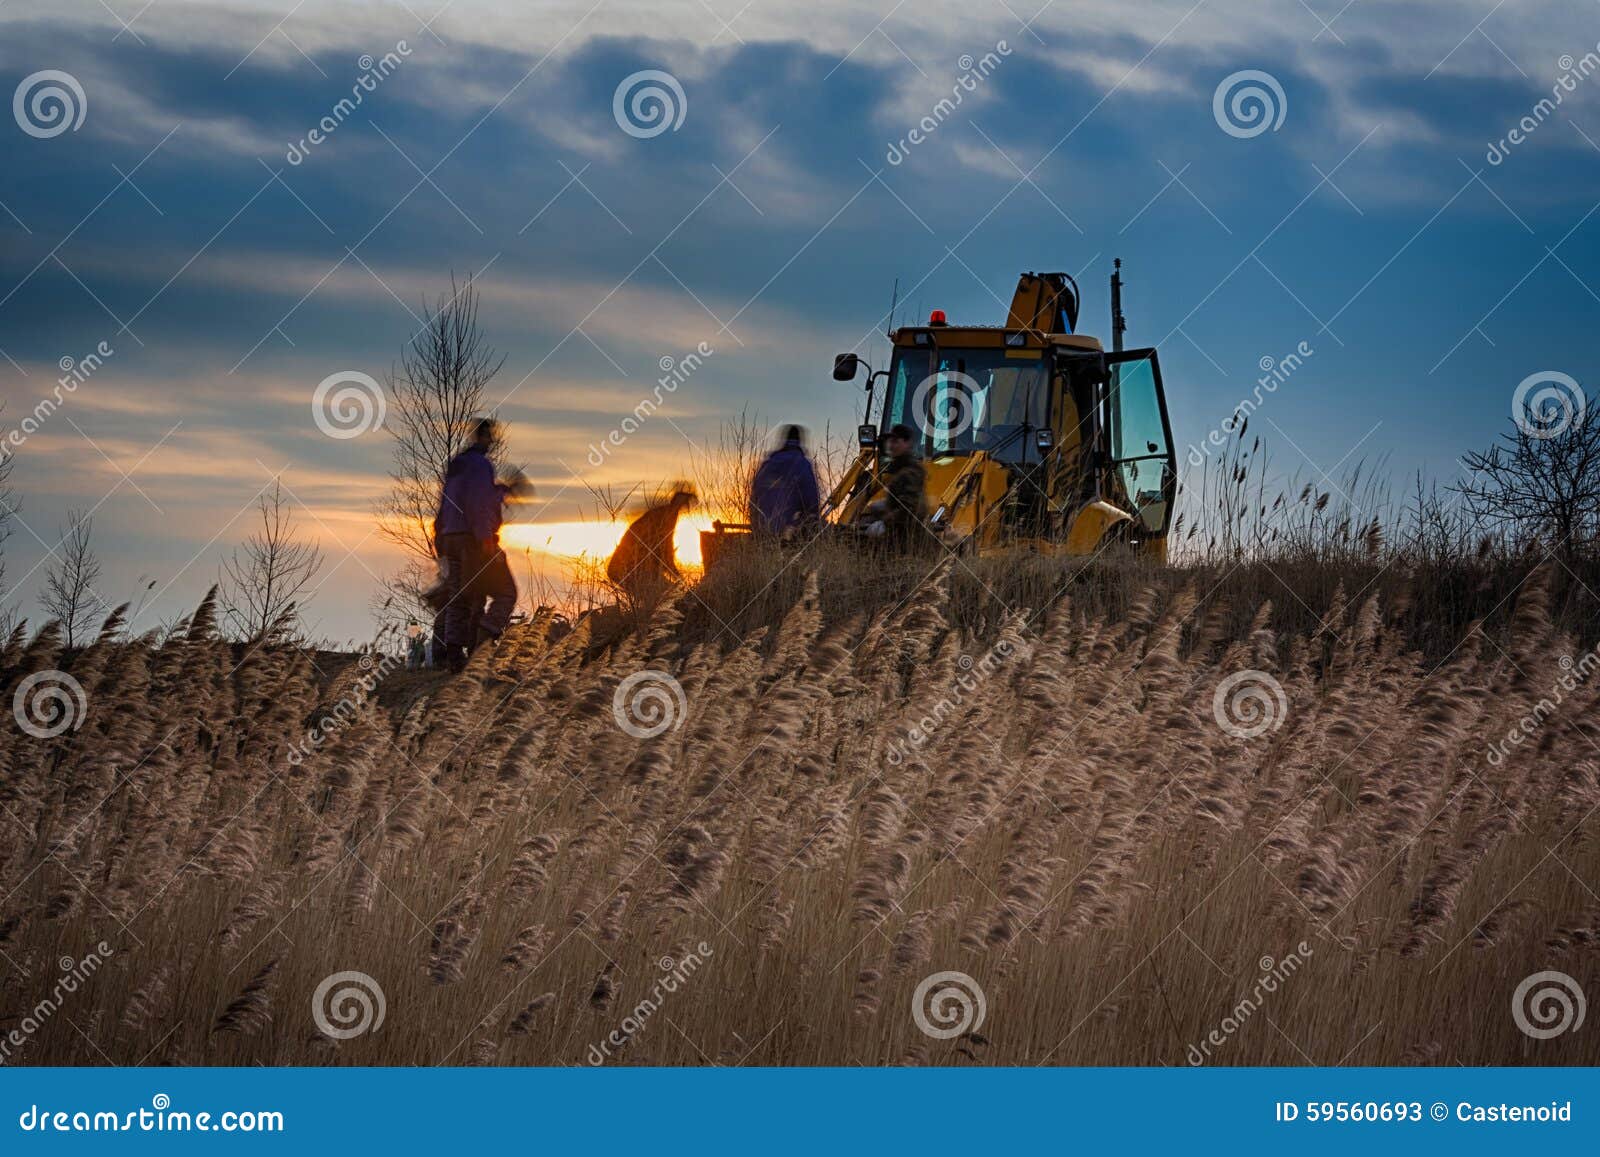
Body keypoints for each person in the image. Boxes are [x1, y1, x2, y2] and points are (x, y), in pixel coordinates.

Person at [432, 418, 518, 672]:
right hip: (471, 539)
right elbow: (478, 504)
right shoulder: (480, 466)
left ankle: (455, 658)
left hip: (450, 537)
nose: (492, 442)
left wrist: (441, 542)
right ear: (483, 437)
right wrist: (486, 540)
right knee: (506, 592)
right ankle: (482, 643)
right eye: (490, 437)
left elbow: (450, 503)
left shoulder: (457, 466)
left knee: (463, 596)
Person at [607, 486, 696, 604]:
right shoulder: (666, 515)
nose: (686, 506)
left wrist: (673, 572)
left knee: (661, 597)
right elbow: (664, 547)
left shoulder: (664, 513)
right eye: (685, 503)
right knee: (667, 597)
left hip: (629, 567)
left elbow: (662, 549)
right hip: (627, 568)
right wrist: (678, 576)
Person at [750, 425, 821, 540]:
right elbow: (811, 500)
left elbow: (754, 497)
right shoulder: (802, 464)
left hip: (762, 534)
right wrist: (812, 523)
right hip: (789, 535)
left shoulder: (768, 464)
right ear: (800, 440)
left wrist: (756, 525)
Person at [866, 423, 929, 550]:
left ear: (907, 443)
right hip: (899, 537)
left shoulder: (911, 471)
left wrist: (884, 523)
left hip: (907, 542)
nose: (891, 446)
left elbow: (908, 509)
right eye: (890, 441)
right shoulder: (898, 468)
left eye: (895, 441)